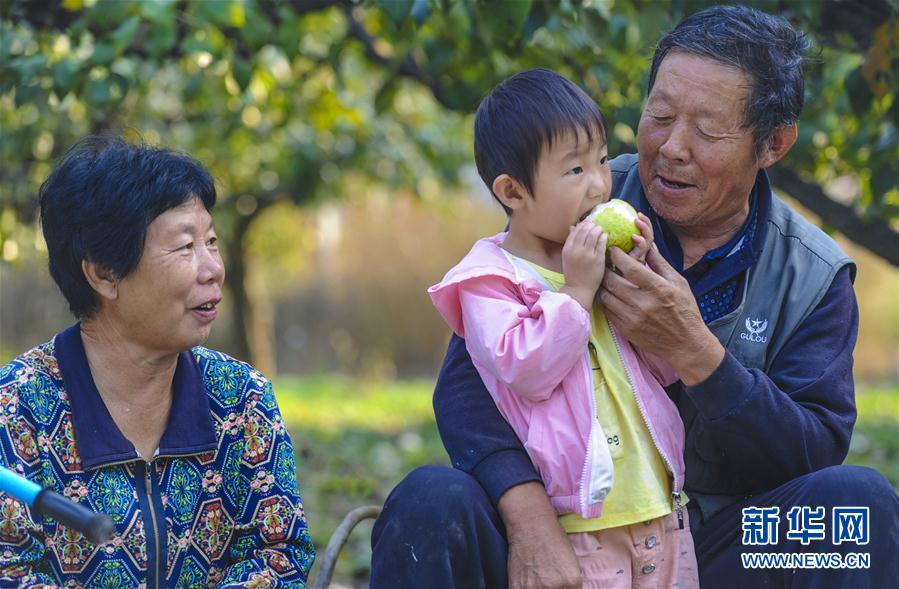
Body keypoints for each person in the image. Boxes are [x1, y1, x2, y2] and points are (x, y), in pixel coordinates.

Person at [371, 5, 899, 588]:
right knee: (430, 500)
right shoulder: (573, 198)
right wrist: (529, 520)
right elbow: (472, 381)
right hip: (565, 534)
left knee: (857, 512)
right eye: (661, 114)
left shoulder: (813, 276)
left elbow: (812, 453)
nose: (672, 147)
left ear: (773, 143)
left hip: (714, 548)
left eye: (707, 129)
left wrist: (697, 354)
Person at [0, 136, 315, 587]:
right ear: (104, 273)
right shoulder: (17, 411)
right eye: (185, 247)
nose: (212, 268)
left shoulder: (241, 397)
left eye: (211, 241)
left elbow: (280, 553)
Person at [425, 68, 698, 588]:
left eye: (600, 160)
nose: (599, 183)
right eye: (574, 171)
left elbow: (665, 371)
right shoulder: (490, 281)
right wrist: (575, 294)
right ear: (513, 192)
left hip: (659, 510)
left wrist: (643, 286)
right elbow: (526, 369)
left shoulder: (606, 263)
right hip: (582, 526)